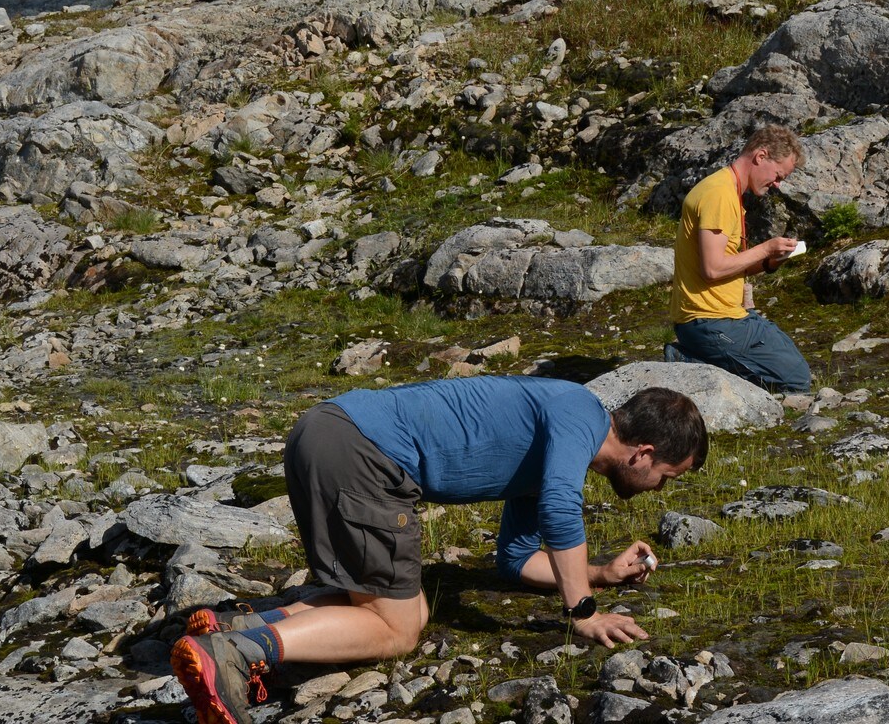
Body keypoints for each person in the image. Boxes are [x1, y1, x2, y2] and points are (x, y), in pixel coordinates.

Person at [171, 376, 707, 724]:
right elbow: (562, 510)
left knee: (405, 608)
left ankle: (242, 628)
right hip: (364, 456)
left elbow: (515, 560)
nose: (660, 489)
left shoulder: (558, 435)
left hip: (328, 432)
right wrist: (583, 611)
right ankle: (235, 657)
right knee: (398, 631)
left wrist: (600, 573)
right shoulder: (579, 414)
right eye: (667, 477)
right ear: (644, 452)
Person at [667, 125, 813, 392]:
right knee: (795, 379)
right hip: (707, 320)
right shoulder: (719, 194)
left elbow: (729, 266)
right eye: (778, 175)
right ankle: (690, 362)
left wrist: (772, 261)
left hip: (724, 315)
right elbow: (712, 269)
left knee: (794, 365)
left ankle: (702, 359)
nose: (777, 185)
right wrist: (766, 249)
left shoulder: (729, 192)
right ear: (760, 156)